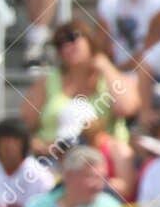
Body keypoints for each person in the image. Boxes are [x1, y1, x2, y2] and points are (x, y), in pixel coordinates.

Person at [21, 21, 137, 191]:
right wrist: (40, 145)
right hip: (54, 157)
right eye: (59, 43)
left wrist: (104, 65)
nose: (67, 46)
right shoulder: (48, 81)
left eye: (72, 38)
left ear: (89, 40)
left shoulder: (109, 77)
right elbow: (25, 123)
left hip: (103, 158)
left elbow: (127, 108)